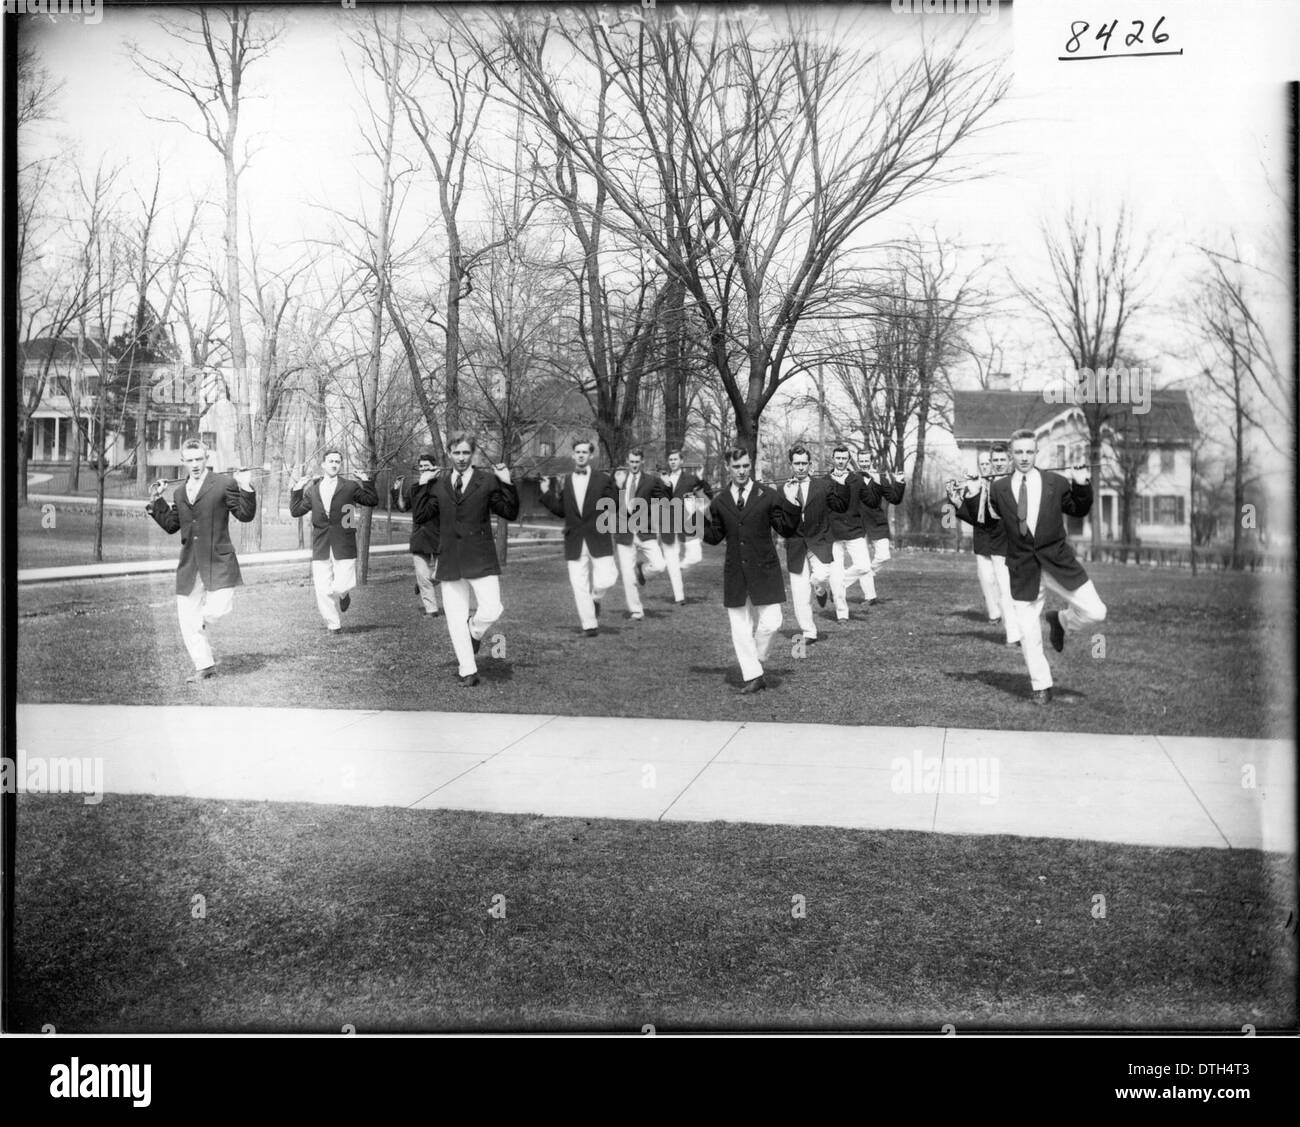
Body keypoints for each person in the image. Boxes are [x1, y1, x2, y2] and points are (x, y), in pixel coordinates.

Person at [988, 429, 1107, 704]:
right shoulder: (999, 489)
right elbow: (990, 522)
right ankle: (1041, 685)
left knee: (1097, 612)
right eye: (1018, 452)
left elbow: (1079, 509)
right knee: (1029, 632)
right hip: (1022, 569)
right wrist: (966, 499)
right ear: (1010, 455)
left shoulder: (1055, 482)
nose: (1024, 457)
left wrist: (1080, 484)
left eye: (1029, 451)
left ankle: (1062, 621)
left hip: (1058, 562)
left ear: (1037, 452)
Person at [412, 434, 520, 686]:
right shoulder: (438, 484)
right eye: (456, 453)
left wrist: (507, 484)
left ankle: (475, 630)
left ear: (473, 454)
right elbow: (421, 516)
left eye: (465, 453)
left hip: (480, 556)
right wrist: (422, 485)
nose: (461, 458)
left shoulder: (487, 481)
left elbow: (510, 512)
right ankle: (467, 670)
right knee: (454, 616)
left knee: (493, 608)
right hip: (449, 557)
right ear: (449, 454)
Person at [147, 438, 257, 682]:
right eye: (190, 460)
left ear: (207, 459)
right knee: (187, 618)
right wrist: (157, 500)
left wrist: (246, 487)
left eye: (199, 459)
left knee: (218, 609)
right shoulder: (178, 491)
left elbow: (245, 515)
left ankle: (202, 625)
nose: (195, 464)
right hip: (190, 563)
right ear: (183, 461)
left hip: (219, 559)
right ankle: (204, 665)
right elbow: (172, 525)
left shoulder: (224, 483)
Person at [702, 446, 802, 693]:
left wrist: (790, 502)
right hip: (735, 572)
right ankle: (754, 675)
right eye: (736, 467)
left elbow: (786, 529)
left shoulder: (767, 495)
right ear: (728, 468)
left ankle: (756, 659)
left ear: (750, 465)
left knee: (772, 622)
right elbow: (714, 536)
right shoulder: (720, 501)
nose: (742, 471)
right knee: (740, 628)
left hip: (765, 569)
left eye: (746, 466)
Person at [289, 450, 378, 634]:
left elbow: (371, 500)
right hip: (321, 544)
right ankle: (333, 624)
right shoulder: (313, 490)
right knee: (322, 589)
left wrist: (366, 481)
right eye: (331, 461)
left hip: (344, 542)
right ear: (323, 464)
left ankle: (344, 594)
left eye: (338, 461)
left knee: (341, 585)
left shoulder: (350, 486)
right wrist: (298, 488)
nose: (334, 464)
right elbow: (296, 510)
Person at [538, 438, 620, 636]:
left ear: (590, 456)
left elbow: (614, 504)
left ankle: (596, 598)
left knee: (608, 578)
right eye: (578, 452)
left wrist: (618, 486)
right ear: (573, 455)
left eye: (585, 452)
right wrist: (546, 492)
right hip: (574, 539)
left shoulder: (603, 479)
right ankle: (589, 625)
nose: (581, 455)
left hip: (598, 536)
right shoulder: (567, 480)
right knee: (578, 584)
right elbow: (560, 510)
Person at [949, 444, 1020, 646]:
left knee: (1009, 589)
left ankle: (1016, 632)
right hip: (988, 542)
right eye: (990, 462)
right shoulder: (982, 485)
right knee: (991, 582)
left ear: (1008, 460)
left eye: (998, 461)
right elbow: (979, 518)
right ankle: (1002, 622)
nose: (994, 465)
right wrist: (962, 501)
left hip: (1008, 542)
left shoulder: (1014, 481)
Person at [782, 445, 850, 645]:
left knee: (820, 576)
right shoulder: (783, 489)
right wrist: (789, 499)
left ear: (810, 465)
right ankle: (809, 632)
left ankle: (820, 589)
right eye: (797, 463)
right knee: (799, 592)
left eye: (804, 463)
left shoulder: (822, 485)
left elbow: (840, 505)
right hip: (796, 544)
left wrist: (842, 484)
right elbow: (782, 524)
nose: (801, 467)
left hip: (819, 541)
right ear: (791, 465)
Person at [612, 447, 672, 619]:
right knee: (628, 576)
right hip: (624, 533)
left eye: (637, 462)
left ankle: (642, 571)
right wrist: (617, 487)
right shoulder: (619, 478)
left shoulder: (651, 481)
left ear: (642, 462)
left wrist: (667, 485)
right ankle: (636, 611)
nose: (634, 465)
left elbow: (665, 501)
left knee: (660, 565)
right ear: (627, 461)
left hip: (645, 531)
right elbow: (611, 502)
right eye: (631, 462)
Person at [827, 444, 881, 621]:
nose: (841, 461)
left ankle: (838, 585)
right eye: (838, 458)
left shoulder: (857, 480)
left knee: (865, 567)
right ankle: (842, 615)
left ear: (848, 460)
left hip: (855, 531)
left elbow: (872, 501)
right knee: (835, 572)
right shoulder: (825, 480)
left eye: (844, 458)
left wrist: (874, 482)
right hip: (833, 533)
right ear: (833, 459)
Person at [657, 449, 713, 605]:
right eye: (670, 459)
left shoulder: (691, 479)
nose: (673, 462)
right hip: (667, 522)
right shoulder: (662, 479)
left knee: (696, 556)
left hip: (687, 521)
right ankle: (679, 597)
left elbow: (708, 494)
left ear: (681, 461)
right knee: (671, 556)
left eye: (675, 459)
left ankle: (679, 566)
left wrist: (701, 479)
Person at [393, 451, 441, 618]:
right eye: (421, 467)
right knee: (422, 576)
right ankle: (431, 610)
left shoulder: (443, 487)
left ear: (435, 468)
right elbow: (403, 507)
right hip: (420, 537)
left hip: (440, 536)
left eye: (426, 467)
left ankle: (423, 584)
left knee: (440, 574)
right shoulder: (415, 487)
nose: (423, 470)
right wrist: (397, 490)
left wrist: (424, 483)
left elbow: (423, 513)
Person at [859, 458, 905, 604]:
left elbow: (895, 499)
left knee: (884, 556)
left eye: (866, 461)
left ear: (871, 462)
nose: (864, 463)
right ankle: (870, 597)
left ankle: (863, 576)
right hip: (858, 524)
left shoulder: (881, 479)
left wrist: (898, 482)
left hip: (877, 523)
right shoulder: (852, 479)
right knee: (862, 561)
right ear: (858, 463)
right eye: (861, 461)